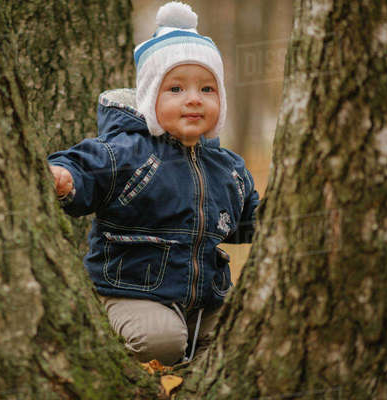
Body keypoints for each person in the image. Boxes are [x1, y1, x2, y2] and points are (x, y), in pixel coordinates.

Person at [47, 1, 259, 366]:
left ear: (220, 101)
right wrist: (66, 179)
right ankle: (149, 351)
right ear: (150, 97)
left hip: (206, 297)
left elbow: (244, 221)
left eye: (207, 89)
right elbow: (87, 167)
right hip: (134, 292)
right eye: (176, 89)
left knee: (243, 338)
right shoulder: (128, 151)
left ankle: (195, 370)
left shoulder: (228, 168)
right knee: (161, 342)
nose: (193, 98)